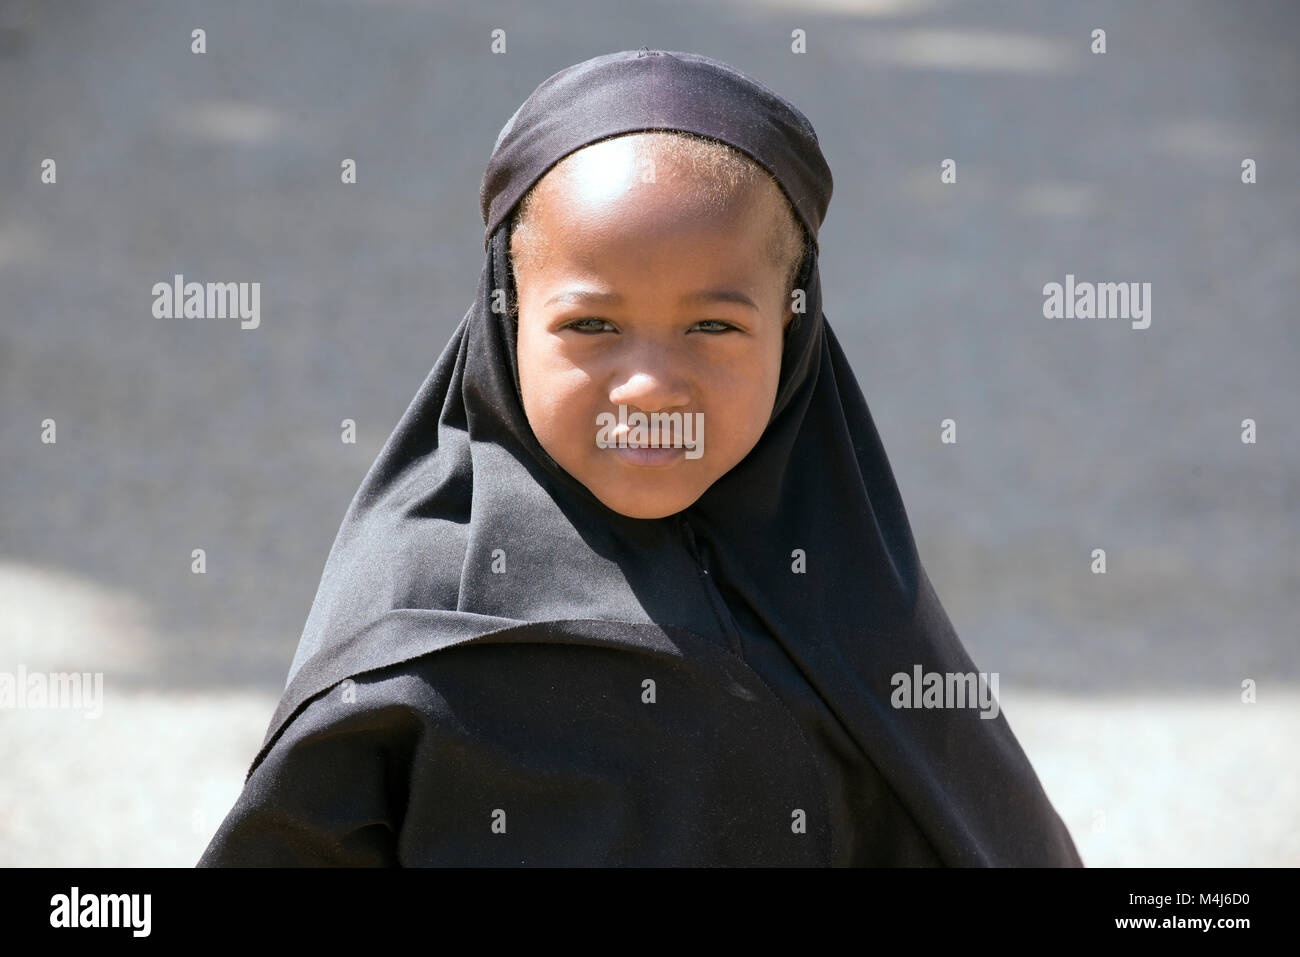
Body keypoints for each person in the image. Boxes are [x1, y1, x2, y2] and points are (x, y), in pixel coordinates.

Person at [198, 49, 1083, 867]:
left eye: (713, 325)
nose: (652, 385)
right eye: (591, 325)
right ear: (508, 320)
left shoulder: (855, 599)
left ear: (793, 324)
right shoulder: (416, 618)